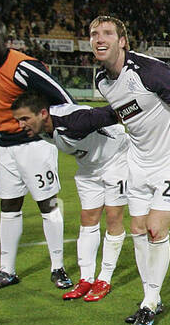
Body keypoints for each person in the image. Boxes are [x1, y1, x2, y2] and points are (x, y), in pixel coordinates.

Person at [90, 16, 170, 325]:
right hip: (138, 161)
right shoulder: (101, 81)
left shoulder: (150, 70)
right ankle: (150, 298)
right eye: (94, 34)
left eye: (107, 33)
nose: (99, 39)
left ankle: (150, 301)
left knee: (156, 228)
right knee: (138, 229)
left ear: (122, 41)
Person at [0, 19, 76, 293]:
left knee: (48, 205)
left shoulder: (22, 67)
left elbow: (63, 97)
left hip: (34, 146)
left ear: (6, 42)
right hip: (4, 147)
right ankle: (7, 271)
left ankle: (58, 268)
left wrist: (54, 128)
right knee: (8, 207)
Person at [10, 91, 129, 302]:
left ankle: (104, 279)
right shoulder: (40, 129)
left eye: (25, 119)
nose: (21, 125)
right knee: (88, 218)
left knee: (113, 217)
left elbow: (118, 111)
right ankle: (86, 279)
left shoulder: (76, 122)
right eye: (18, 120)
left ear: (43, 114)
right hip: (89, 167)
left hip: (117, 159)